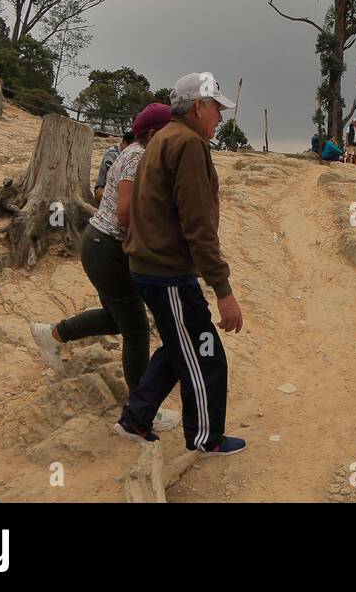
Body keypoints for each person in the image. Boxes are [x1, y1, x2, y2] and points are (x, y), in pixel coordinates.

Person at [113, 72, 246, 456]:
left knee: (178, 347)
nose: (220, 117)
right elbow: (197, 223)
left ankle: (136, 418)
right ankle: (206, 438)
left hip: (150, 266)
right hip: (167, 273)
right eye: (216, 108)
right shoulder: (188, 144)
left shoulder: (165, 138)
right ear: (198, 107)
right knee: (205, 355)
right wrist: (223, 290)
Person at [29, 105, 179, 431]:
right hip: (108, 248)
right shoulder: (139, 158)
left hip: (101, 246)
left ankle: (52, 334)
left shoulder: (139, 154)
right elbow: (126, 212)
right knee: (136, 329)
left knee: (116, 319)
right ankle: (143, 410)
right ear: (154, 134)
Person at [95, 131, 132, 203]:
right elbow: (112, 179)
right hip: (104, 189)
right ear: (124, 142)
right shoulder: (112, 154)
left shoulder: (129, 155)